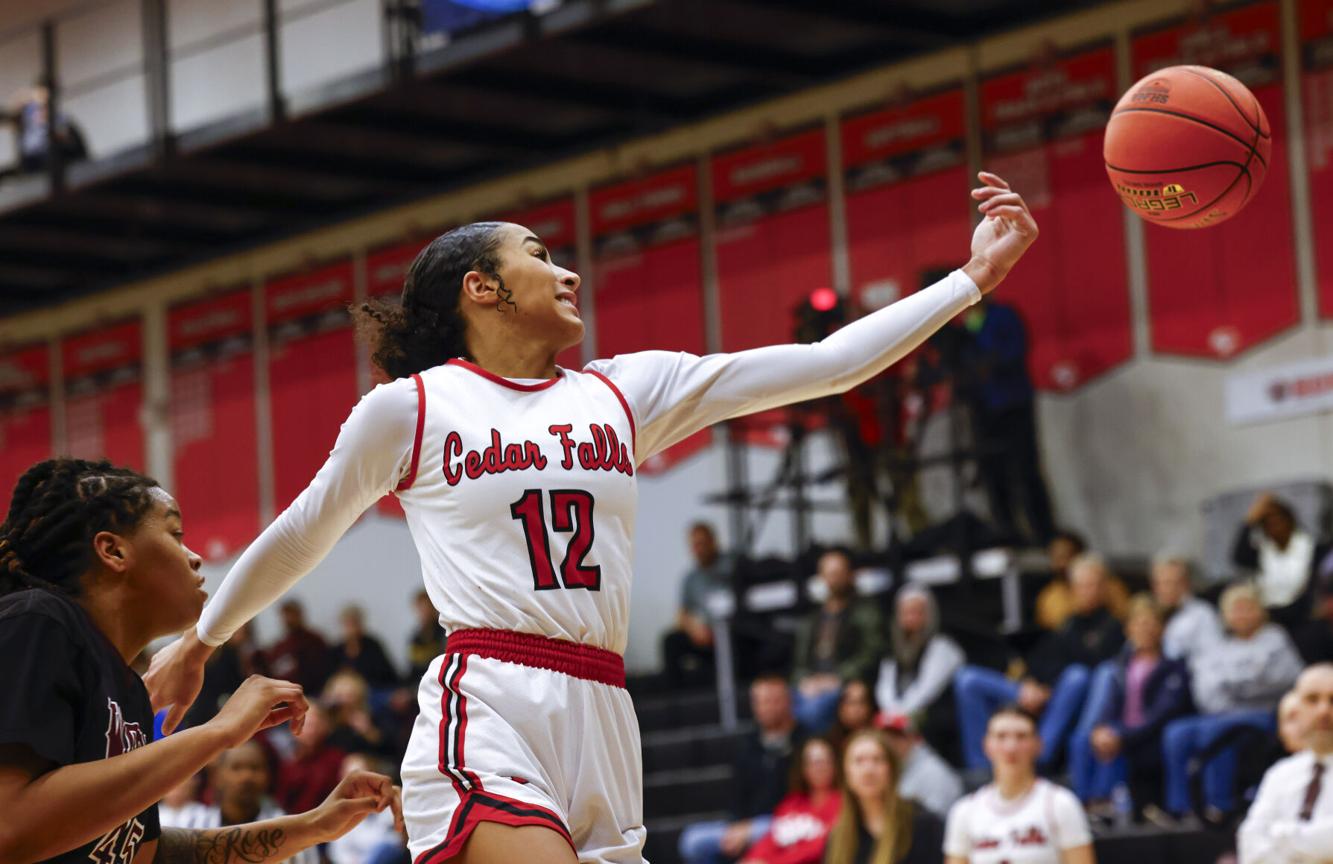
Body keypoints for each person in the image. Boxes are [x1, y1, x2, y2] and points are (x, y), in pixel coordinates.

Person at [147, 172, 1038, 864]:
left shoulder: (626, 389)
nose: (565, 268)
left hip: (605, 709)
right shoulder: (412, 408)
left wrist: (971, 277)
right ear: (480, 289)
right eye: (537, 253)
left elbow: (830, 364)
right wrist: (202, 641)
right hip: (489, 700)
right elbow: (305, 529)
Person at [0, 457, 401, 864]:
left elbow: (151, 855)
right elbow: (10, 827)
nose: (194, 557)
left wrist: (314, 826)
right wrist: (220, 732)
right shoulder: (36, 622)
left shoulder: (130, 692)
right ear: (113, 550)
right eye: (175, 535)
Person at [954, 554, 1124, 772]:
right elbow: (1041, 660)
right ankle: (981, 767)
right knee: (968, 678)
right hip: (1042, 694)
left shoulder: (1114, 628)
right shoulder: (1065, 625)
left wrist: (1049, 689)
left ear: (1104, 588)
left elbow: (1098, 672)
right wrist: (1030, 685)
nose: (1086, 592)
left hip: (1074, 705)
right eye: (1080, 586)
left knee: (1077, 676)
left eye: (1092, 585)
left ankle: (1037, 754)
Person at [1161, 583, 1304, 817]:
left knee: (1219, 730)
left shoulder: (1275, 639)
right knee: (1176, 733)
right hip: (1221, 712)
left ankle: (1219, 805)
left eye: (1247, 607)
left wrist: (1233, 684)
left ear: (1259, 610)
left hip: (1264, 714)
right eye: (1235, 609)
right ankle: (1181, 808)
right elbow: (1205, 688)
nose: (1242, 615)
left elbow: (1285, 679)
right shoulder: (1221, 646)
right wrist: (1242, 681)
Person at [1068, 594, 1191, 811]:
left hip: (1150, 735)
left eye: (1151, 623)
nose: (1145, 629)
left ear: (1162, 629)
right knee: (1082, 739)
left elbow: (1162, 713)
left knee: (1115, 744)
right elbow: (1109, 705)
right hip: (1119, 730)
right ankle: (1083, 805)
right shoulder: (1118, 666)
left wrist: (1121, 735)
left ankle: (1104, 802)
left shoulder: (1174, 668)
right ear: (1129, 629)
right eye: (1139, 623)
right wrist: (1101, 729)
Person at [955, 293, 1054, 546]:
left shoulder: (1004, 315)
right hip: (984, 410)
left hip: (1013, 403)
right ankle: (1009, 534)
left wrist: (990, 363)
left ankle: (1043, 534)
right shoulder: (968, 324)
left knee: (1024, 469)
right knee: (993, 473)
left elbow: (1016, 351)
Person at [943, 706, 1095, 864]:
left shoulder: (1061, 804)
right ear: (986, 745)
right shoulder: (965, 811)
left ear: (1038, 745)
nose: (1011, 747)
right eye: (1001, 736)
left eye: (1021, 736)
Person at [680, 676, 807, 864]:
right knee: (692, 841)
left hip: (788, 821)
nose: (768, 707)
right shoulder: (747, 744)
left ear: (789, 701)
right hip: (746, 823)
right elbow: (737, 794)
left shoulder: (805, 742)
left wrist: (749, 829)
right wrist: (738, 827)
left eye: (774, 700)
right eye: (761, 701)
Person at [162, 740, 319, 864]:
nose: (246, 777)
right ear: (217, 777)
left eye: (255, 768)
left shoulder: (290, 829)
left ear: (268, 776)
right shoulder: (188, 824)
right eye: (236, 768)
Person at [1238, 663, 1333, 863]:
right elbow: (1249, 845)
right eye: (1312, 699)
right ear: (1296, 710)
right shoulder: (1280, 774)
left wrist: (1280, 835)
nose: (1324, 711)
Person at [792, 550, 884, 732]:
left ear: (850, 575)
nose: (834, 578)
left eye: (838, 572)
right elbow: (799, 662)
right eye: (829, 573)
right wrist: (804, 681)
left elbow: (872, 653)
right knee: (777, 705)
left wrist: (838, 678)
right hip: (812, 684)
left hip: (844, 682)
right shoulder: (813, 618)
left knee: (812, 712)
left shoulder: (866, 611)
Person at [821, 728, 944, 864]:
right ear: (846, 775)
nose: (868, 770)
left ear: (892, 770)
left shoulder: (924, 824)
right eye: (859, 761)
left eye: (877, 760)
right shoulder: (838, 837)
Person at [873, 584, 964, 739]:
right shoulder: (894, 648)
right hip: (898, 714)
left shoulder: (942, 646)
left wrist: (901, 714)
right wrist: (892, 713)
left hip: (933, 715)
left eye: (917, 612)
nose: (911, 618)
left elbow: (928, 689)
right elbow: (884, 687)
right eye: (906, 612)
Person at [739, 737, 842, 864]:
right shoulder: (791, 802)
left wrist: (772, 862)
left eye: (824, 761)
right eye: (813, 762)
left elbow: (820, 848)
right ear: (803, 768)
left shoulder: (842, 803)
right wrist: (753, 859)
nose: (819, 768)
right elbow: (770, 839)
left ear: (835, 765)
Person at [1233, 493, 1325, 632]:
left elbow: (1315, 593)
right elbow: (1238, 557)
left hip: (1302, 618)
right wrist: (1250, 520)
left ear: (1290, 520)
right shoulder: (1262, 552)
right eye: (1268, 524)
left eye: (1279, 520)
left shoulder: (1314, 549)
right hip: (1268, 617)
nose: (1275, 527)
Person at [662, 522, 736, 687]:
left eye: (702, 543)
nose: (698, 549)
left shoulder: (731, 565)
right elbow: (681, 615)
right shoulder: (690, 578)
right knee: (671, 641)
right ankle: (675, 695)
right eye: (694, 545)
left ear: (713, 541)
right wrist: (694, 629)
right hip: (703, 635)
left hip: (729, 631)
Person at [1034, 530, 1129, 631]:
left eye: (1066, 556)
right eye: (1056, 558)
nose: (1061, 564)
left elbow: (1126, 623)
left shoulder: (1113, 588)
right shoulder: (1049, 598)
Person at [877, 712, 963, 819]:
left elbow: (934, 823)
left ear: (913, 738)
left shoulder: (934, 773)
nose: (890, 743)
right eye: (884, 738)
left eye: (897, 737)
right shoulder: (890, 768)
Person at [1149, 555, 1223, 662]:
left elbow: (1213, 656)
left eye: (1172, 582)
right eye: (1161, 583)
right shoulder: (1150, 614)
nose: (1166, 589)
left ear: (1186, 583)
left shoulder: (1202, 614)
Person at [267, 599, 335, 696]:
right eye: (285, 615)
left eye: (292, 614)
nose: (289, 619)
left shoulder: (315, 640)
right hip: (287, 697)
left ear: (300, 614)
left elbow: (325, 670)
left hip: (314, 695)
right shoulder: (279, 647)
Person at [332, 604, 400, 690]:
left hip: (373, 690)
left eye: (354, 623)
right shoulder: (336, 650)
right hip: (346, 693)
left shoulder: (373, 646)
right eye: (348, 624)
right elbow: (332, 680)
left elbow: (386, 675)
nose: (352, 629)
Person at [829, 680, 877, 756]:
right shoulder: (829, 745)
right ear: (840, 707)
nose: (856, 708)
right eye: (851, 702)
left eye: (862, 702)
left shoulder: (879, 741)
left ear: (870, 707)